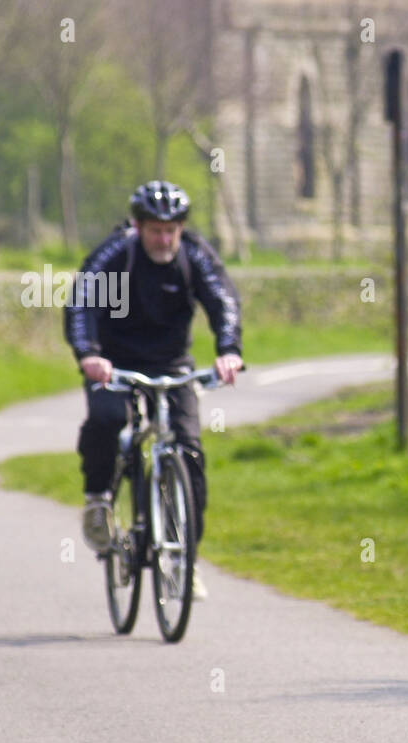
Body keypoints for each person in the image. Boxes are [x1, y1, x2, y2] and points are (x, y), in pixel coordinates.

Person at [64, 180, 243, 599]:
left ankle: (184, 560)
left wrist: (229, 351)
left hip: (172, 365)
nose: (164, 239)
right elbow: (81, 302)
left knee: (189, 453)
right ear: (139, 227)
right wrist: (89, 353)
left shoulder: (194, 254)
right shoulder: (116, 255)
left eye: (171, 230)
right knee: (108, 420)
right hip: (113, 363)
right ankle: (97, 499)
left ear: (181, 228)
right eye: (155, 230)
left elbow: (223, 300)